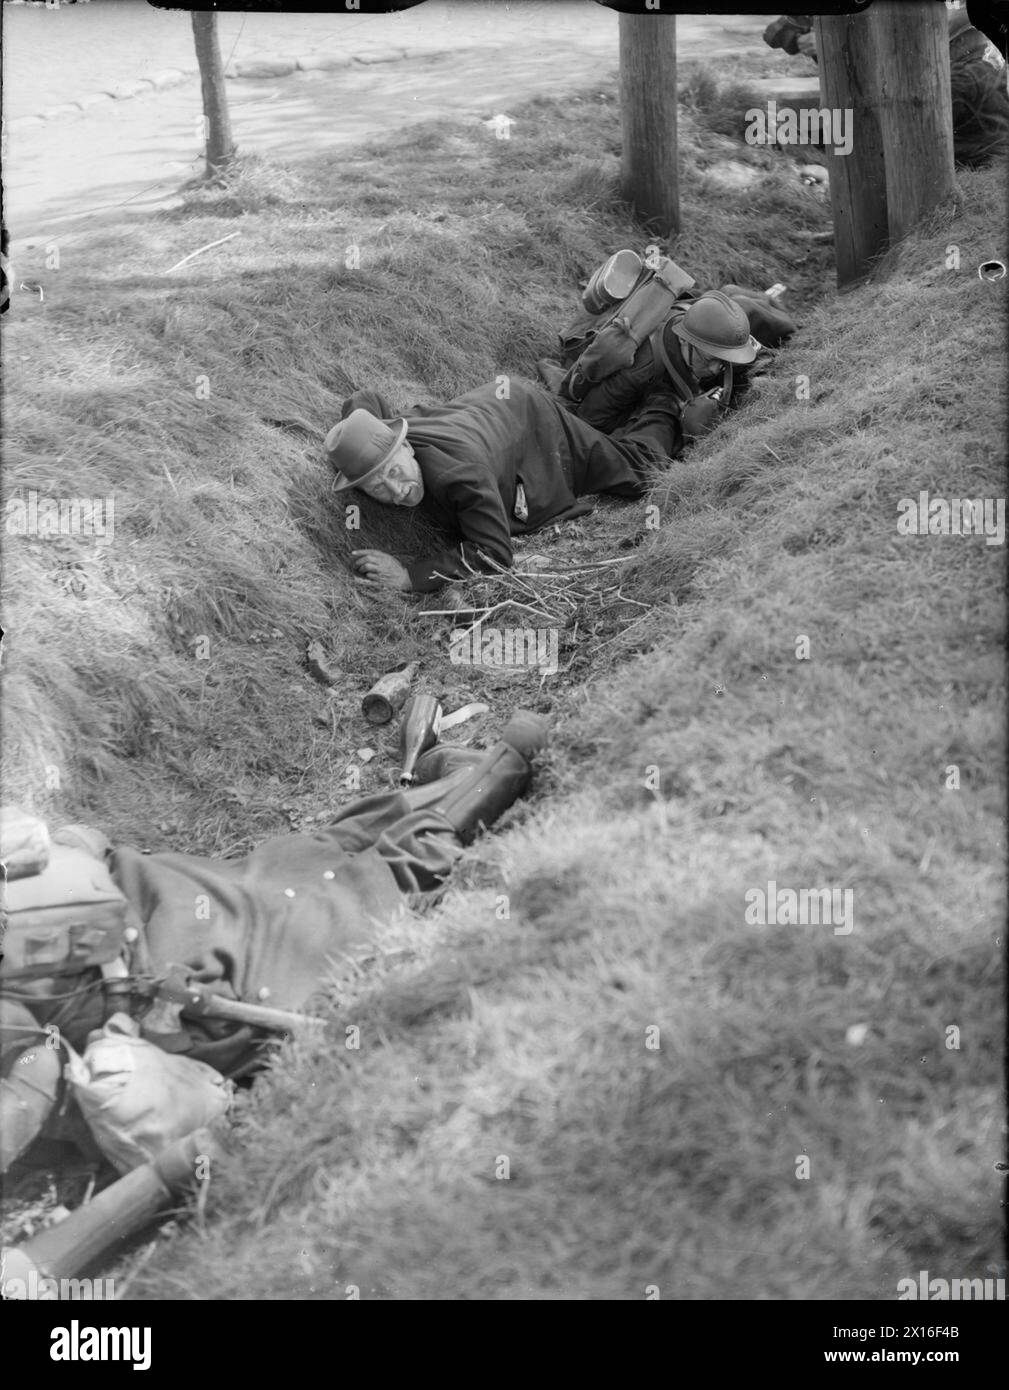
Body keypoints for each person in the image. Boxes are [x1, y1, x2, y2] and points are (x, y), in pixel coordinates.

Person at [328, 377, 698, 594]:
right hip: (490, 407)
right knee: (595, 430)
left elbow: (492, 553)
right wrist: (351, 441)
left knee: (637, 471)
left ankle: (666, 399)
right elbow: (364, 401)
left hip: (535, 429)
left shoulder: (461, 477)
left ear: (406, 446)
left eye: (394, 473)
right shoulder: (386, 433)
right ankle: (604, 405)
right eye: (376, 487)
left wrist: (409, 577)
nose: (397, 492)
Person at [538, 285, 794, 436]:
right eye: (712, 360)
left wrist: (758, 373)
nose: (718, 368)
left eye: (722, 360)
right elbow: (591, 420)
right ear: (685, 341)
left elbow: (752, 354)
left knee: (736, 299)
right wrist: (669, 407)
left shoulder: (706, 333)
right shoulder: (639, 371)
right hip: (626, 377)